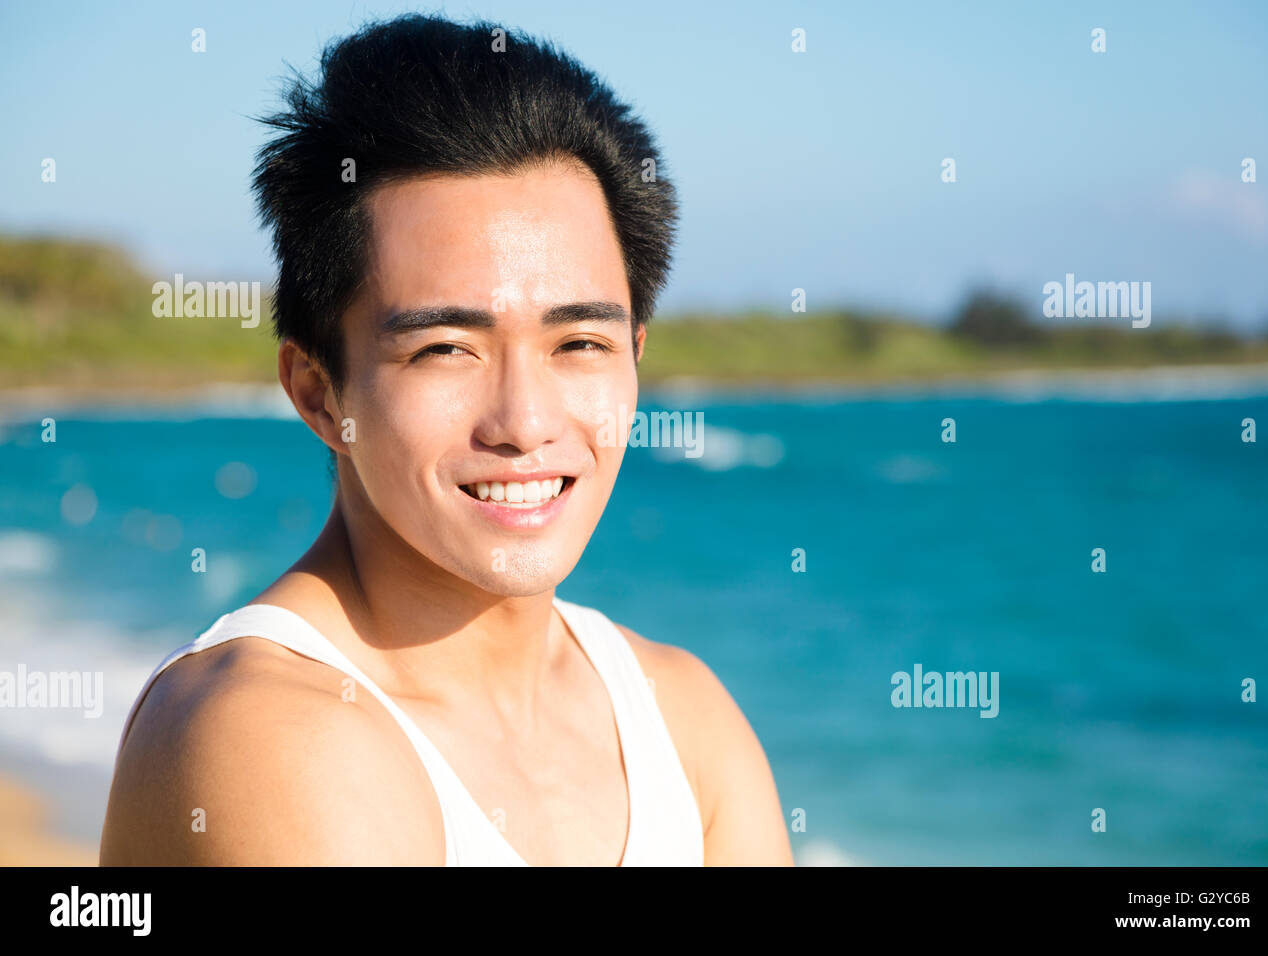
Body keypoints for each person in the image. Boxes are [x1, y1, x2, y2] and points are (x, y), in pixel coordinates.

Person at [99, 13, 792, 866]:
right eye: (445, 350)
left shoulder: (681, 720)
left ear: (635, 357)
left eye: (579, 344)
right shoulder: (271, 732)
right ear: (318, 393)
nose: (526, 423)